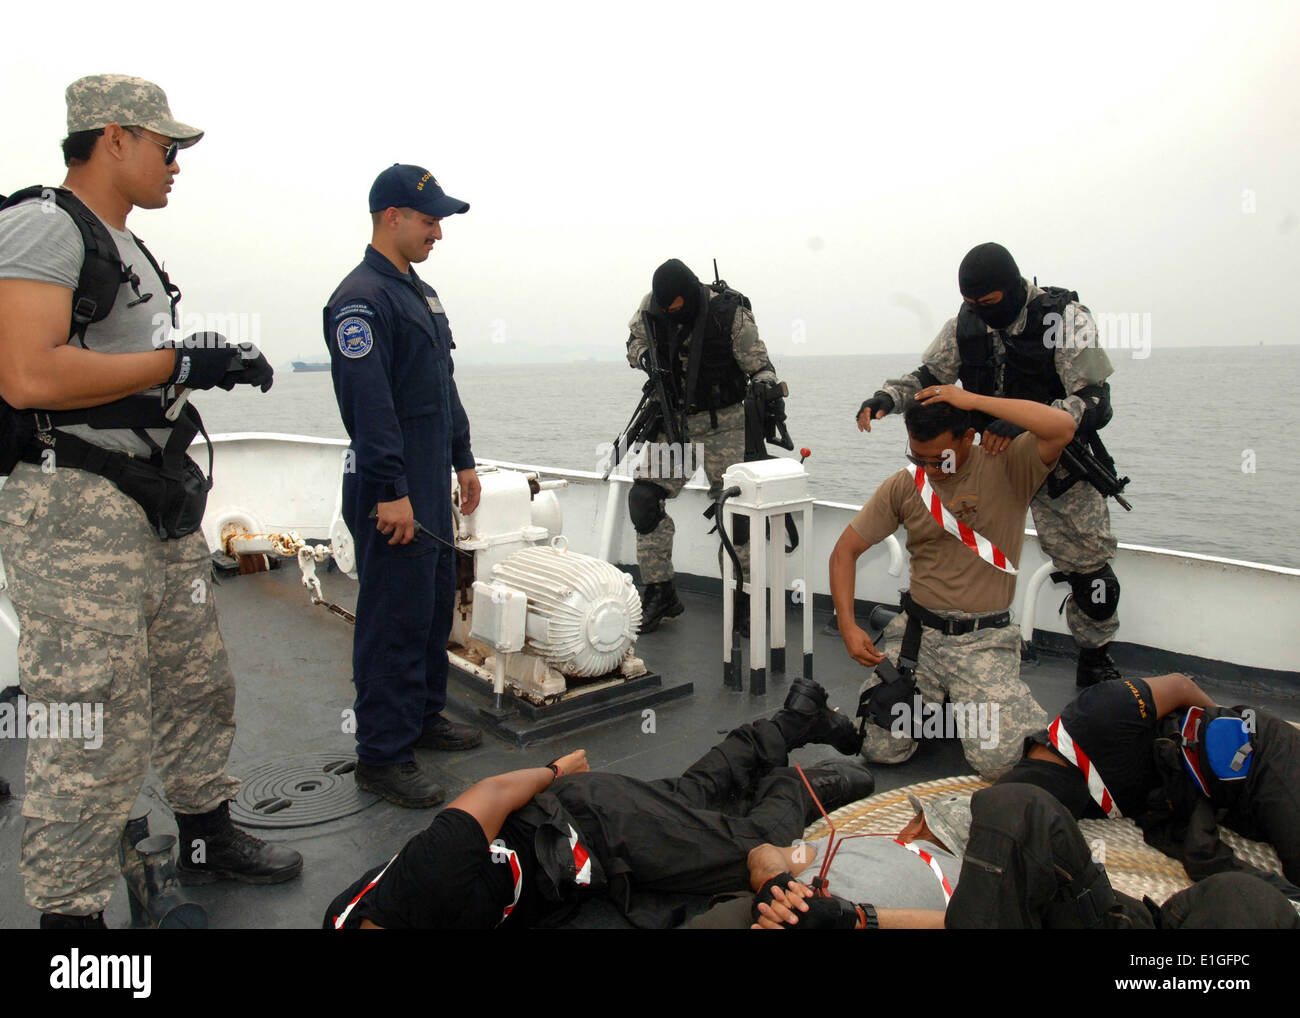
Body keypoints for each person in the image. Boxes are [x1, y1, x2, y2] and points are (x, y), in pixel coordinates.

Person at [0, 74, 301, 929]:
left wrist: (205, 360)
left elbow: (119, 364)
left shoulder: (127, 246)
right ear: (112, 138)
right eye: (166, 148)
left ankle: (207, 835)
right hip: (73, 509)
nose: (177, 164)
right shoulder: (41, 227)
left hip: (150, 498)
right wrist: (178, 366)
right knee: (90, 716)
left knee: (195, 679)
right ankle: (70, 921)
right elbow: (27, 373)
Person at [323, 678, 871, 929]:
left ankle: (793, 786)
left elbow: (487, 794)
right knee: (688, 799)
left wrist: (554, 769)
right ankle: (790, 721)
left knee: (745, 852)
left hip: (589, 823)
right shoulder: (344, 921)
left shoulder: (428, 876)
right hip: (576, 853)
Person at [855, 243, 1123, 688]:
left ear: (1014, 287)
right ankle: (953, 649)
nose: (982, 312)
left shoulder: (1065, 319)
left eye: (991, 303)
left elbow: (1095, 402)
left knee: (1093, 576)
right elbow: (929, 377)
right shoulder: (966, 324)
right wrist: (887, 398)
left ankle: (1095, 657)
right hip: (991, 462)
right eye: (973, 304)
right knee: (958, 552)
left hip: (1057, 464)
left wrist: (1021, 421)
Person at [324, 164, 483, 810]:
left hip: (428, 482)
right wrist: (390, 486)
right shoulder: (361, 299)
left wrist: (463, 457)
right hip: (391, 488)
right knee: (392, 619)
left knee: (429, 610)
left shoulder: (422, 294)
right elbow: (371, 404)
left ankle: (422, 717)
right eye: (428, 219)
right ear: (391, 216)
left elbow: (440, 388)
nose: (438, 232)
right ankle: (382, 756)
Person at [829, 387, 1075, 779]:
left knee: (1000, 763)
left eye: (940, 456)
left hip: (982, 641)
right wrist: (847, 625)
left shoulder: (1010, 464)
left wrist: (975, 401)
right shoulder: (905, 485)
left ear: (968, 436)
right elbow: (844, 552)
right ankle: (946, 708)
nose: (930, 467)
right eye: (918, 457)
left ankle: (969, 706)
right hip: (917, 637)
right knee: (878, 748)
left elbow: (1062, 426)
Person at [741, 783, 1298, 930]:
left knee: (1018, 803)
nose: (908, 822)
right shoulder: (860, 841)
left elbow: (949, 920)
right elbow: (766, 853)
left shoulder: (967, 876)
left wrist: (855, 918)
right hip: (787, 913)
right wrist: (775, 890)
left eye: (922, 819)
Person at [996, 671, 1300, 894]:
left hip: (1258, 751)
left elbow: (1181, 686)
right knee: (1208, 859)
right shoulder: (1064, 788)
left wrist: (1222, 730)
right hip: (1215, 795)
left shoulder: (1097, 713)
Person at [624, 259, 784, 633]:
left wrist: (764, 385)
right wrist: (645, 357)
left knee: (737, 516)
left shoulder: (728, 312)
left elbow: (760, 365)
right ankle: (661, 591)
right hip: (675, 420)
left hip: (724, 424)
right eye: (666, 309)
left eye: (676, 307)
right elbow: (634, 342)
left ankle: (743, 599)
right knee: (643, 499)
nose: (670, 314)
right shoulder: (652, 306)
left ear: (690, 294)